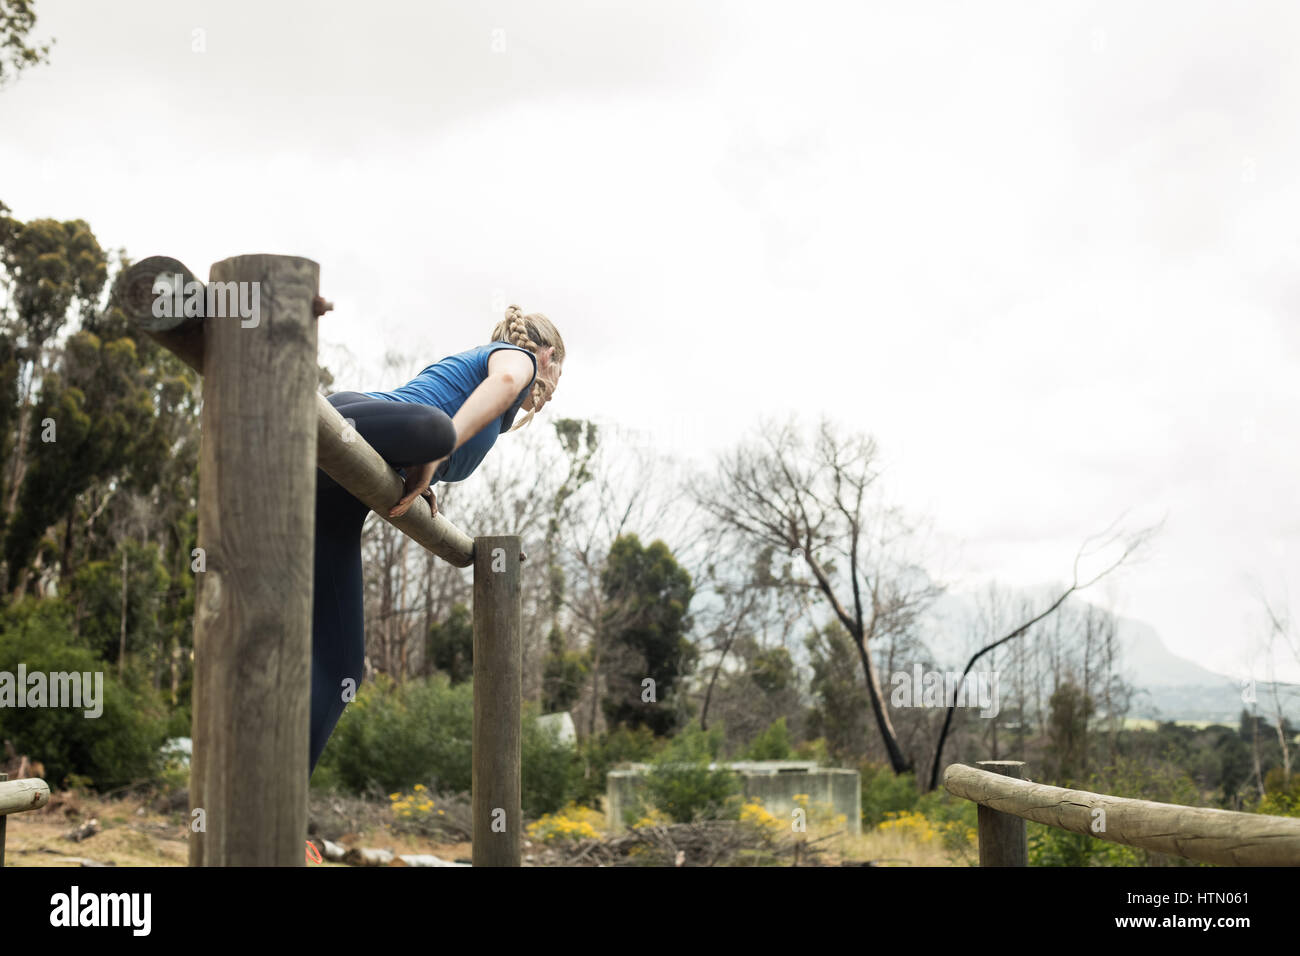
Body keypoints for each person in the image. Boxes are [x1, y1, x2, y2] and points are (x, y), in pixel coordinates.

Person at [308, 304, 565, 775]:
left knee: (341, 666)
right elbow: (502, 385)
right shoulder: (517, 360)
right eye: (559, 369)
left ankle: (275, 813)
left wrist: (424, 475)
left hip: (340, 488)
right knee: (431, 428)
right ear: (547, 356)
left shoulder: (488, 407)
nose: (553, 382)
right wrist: (434, 450)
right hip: (348, 424)